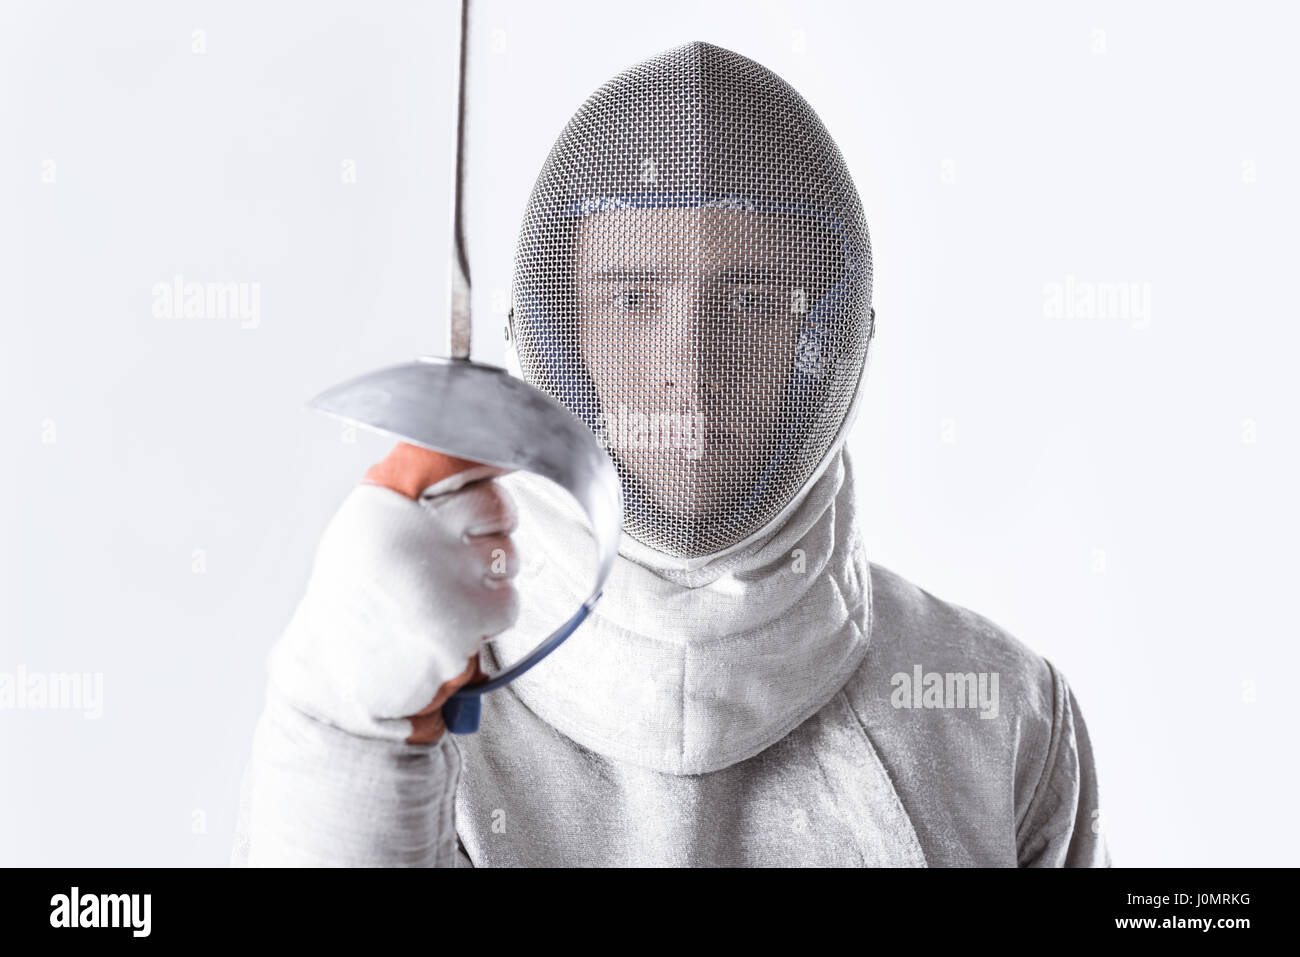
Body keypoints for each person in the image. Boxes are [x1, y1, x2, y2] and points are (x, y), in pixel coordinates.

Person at [232, 41, 1109, 867]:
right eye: (631, 301)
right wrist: (345, 732)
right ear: (560, 334)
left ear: (823, 343)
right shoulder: (418, 686)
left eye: (757, 299)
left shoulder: (995, 711)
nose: (688, 370)